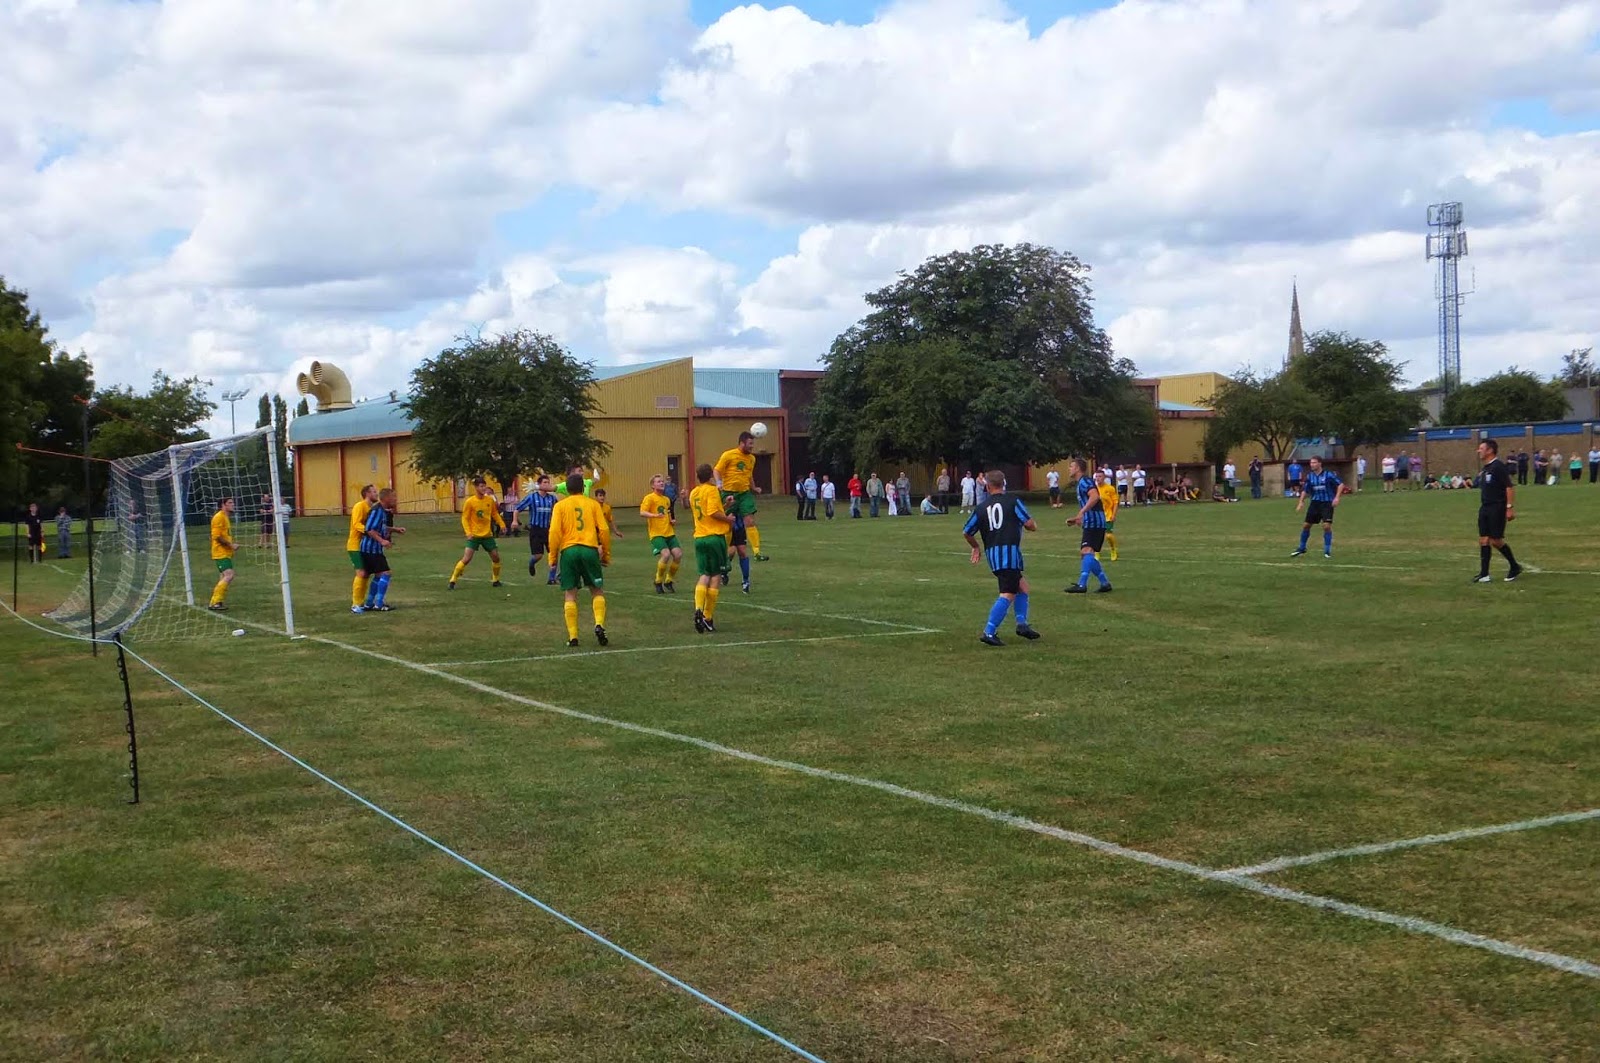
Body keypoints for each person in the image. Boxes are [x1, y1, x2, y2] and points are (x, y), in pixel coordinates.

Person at [962, 470, 1040, 646]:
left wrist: (975, 547)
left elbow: (967, 531)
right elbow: (1029, 524)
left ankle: (1022, 624)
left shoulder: (981, 508)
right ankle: (989, 631)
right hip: (1009, 554)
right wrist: (1032, 525)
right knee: (1008, 593)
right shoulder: (1012, 501)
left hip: (994, 556)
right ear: (1004, 484)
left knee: (1023, 587)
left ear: (987, 487)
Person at [548, 472, 611, 646]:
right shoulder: (593, 504)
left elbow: (554, 533)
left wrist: (552, 558)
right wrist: (605, 553)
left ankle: (573, 636)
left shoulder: (560, 506)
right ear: (583, 488)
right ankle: (599, 624)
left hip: (569, 551)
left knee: (570, 594)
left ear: (567, 489)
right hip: (590, 550)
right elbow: (604, 530)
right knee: (596, 590)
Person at [688, 463, 734, 633]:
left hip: (699, 537)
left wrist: (725, 505)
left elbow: (707, 511)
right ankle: (707, 616)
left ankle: (698, 607)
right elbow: (713, 513)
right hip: (714, 537)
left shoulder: (694, 492)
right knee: (716, 575)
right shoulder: (711, 490)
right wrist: (728, 519)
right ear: (710, 477)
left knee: (704, 575)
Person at [1473, 439, 1521, 583]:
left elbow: (1509, 487)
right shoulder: (1486, 468)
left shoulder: (1498, 466)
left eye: (1481, 448)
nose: (1478, 451)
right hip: (1485, 507)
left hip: (1497, 507)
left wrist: (1509, 507)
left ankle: (1514, 566)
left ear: (1490, 450)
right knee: (1483, 539)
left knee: (1495, 540)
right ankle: (1484, 574)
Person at [714, 432, 766, 559]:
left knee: (750, 520)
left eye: (753, 444)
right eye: (750, 444)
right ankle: (724, 552)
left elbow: (749, 475)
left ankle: (757, 552)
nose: (752, 446)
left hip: (744, 494)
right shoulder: (728, 455)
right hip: (729, 493)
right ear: (742, 443)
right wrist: (719, 483)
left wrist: (753, 487)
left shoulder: (752, 458)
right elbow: (717, 470)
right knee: (728, 524)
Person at [1064, 459, 1112, 594]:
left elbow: (1095, 497)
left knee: (1086, 552)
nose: (1069, 468)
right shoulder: (1081, 483)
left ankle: (1082, 584)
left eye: (1071, 466)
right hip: (1093, 521)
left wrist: (1082, 512)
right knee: (1085, 553)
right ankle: (1104, 583)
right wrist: (1079, 518)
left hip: (1095, 522)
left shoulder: (1085, 481)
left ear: (1078, 468)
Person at [448, 477, 506, 589]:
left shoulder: (489, 500)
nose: (483, 488)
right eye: (481, 486)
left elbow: (494, 513)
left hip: (487, 535)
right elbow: (464, 518)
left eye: (484, 486)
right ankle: (453, 580)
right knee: (466, 559)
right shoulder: (470, 502)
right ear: (476, 487)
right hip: (474, 535)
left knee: (496, 557)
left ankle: (496, 580)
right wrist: (468, 532)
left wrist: (502, 524)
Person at [354, 487, 402, 613]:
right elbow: (370, 529)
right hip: (372, 549)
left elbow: (381, 526)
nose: (395, 499)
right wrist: (382, 541)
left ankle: (370, 603)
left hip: (370, 549)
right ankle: (379, 604)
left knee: (378, 575)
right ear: (386, 498)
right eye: (393, 497)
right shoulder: (377, 510)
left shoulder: (382, 510)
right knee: (386, 573)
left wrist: (394, 529)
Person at [1291, 456, 1344, 558]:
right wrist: (1301, 502)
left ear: (1320, 463)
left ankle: (1327, 551)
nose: (1312, 465)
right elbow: (1306, 490)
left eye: (1314, 463)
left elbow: (1340, 485)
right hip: (1315, 503)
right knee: (1306, 525)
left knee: (1326, 526)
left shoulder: (1328, 475)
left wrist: (1337, 497)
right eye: (1311, 463)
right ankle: (1302, 548)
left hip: (1327, 503)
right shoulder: (1310, 476)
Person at [639, 474, 683, 594]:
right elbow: (642, 512)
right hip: (656, 533)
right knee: (666, 554)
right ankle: (658, 581)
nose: (661, 483)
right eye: (658, 482)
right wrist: (654, 516)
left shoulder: (666, 499)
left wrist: (671, 521)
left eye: (662, 481)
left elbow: (667, 514)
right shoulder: (649, 498)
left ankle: (669, 580)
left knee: (678, 555)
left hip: (669, 532)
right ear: (653, 485)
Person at [512, 473, 558, 582]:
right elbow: (517, 508)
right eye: (545, 483)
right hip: (536, 529)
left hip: (548, 529)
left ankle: (551, 578)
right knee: (538, 555)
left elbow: (558, 512)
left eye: (548, 483)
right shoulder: (532, 497)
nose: (547, 485)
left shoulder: (552, 498)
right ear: (539, 484)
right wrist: (514, 520)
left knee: (553, 553)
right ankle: (532, 563)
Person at [346, 483, 378, 610]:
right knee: (361, 573)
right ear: (367, 494)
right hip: (355, 546)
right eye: (374, 492)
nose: (376, 494)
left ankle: (362, 602)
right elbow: (356, 524)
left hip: (366, 546)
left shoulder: (373, 508)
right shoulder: (360, 506)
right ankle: (355, 604)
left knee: (366, 574)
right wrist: (369, 531)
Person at [207, 496, 236, 611]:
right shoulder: (219, 517)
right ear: (223, 505)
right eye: (230, 502)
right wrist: (231, 545)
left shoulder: (225, 517)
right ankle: (214, 603)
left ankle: (217, 602)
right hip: (220, 552)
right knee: (229, 575)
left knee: (224, 576)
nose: (233, 504)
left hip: (225, 552)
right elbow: (217, 537)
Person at [1096, 470, 1120, 561]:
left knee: (1108, 536)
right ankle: (1096, 552)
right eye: (1097, 476)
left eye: (1100, 476)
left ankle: (1113, 550)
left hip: (1108, 515)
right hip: (1097, 515)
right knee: (1097, 535)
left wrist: (1114, 514)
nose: (1098, 478)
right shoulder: (1094, 489)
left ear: (1104, 477)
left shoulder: (1110, 488)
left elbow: (1115, 502)